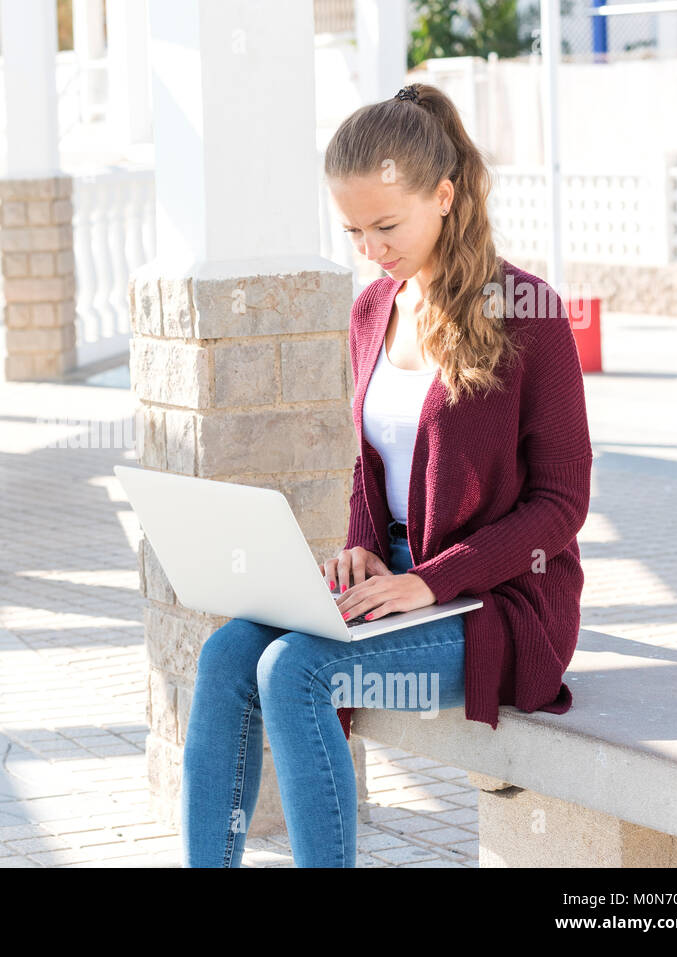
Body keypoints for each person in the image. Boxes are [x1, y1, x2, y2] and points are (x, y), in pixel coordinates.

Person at [181, 82, 593, 867]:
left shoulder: (529, 312)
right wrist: (365, 545)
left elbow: (561, 505)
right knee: (228, 653)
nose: (370, 247)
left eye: (385, 224)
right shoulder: (373, 307)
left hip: (500, 602)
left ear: (443, 196)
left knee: (296, 669)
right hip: (396, 586)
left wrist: (433, 580)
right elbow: (369, 460)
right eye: (353, 229)